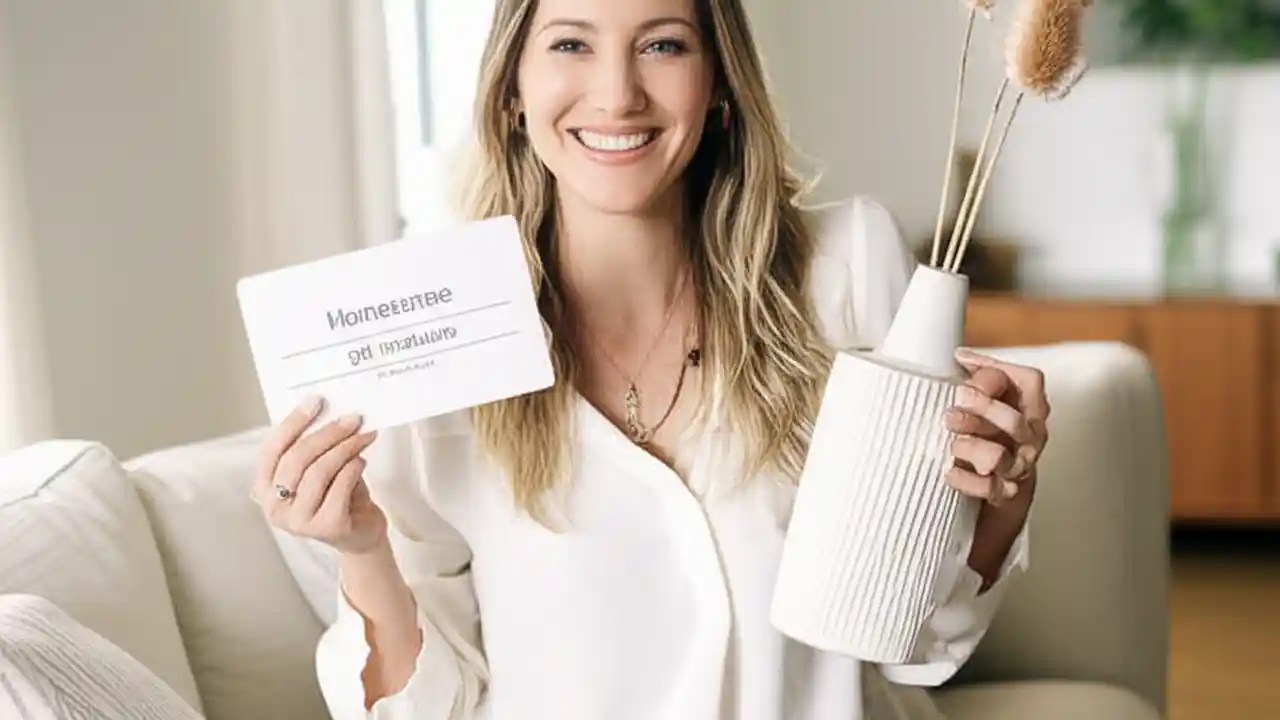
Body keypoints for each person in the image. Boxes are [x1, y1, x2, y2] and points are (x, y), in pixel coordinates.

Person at [251, 0, 1048, 717]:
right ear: (510, 93)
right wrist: (360, 547)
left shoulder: (845, 272)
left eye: (663, 46)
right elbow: (434, 707)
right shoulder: (439, 350)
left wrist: (1002, 496)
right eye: (570, 43)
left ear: (720, 87)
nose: (617, 94)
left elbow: (915, 647)